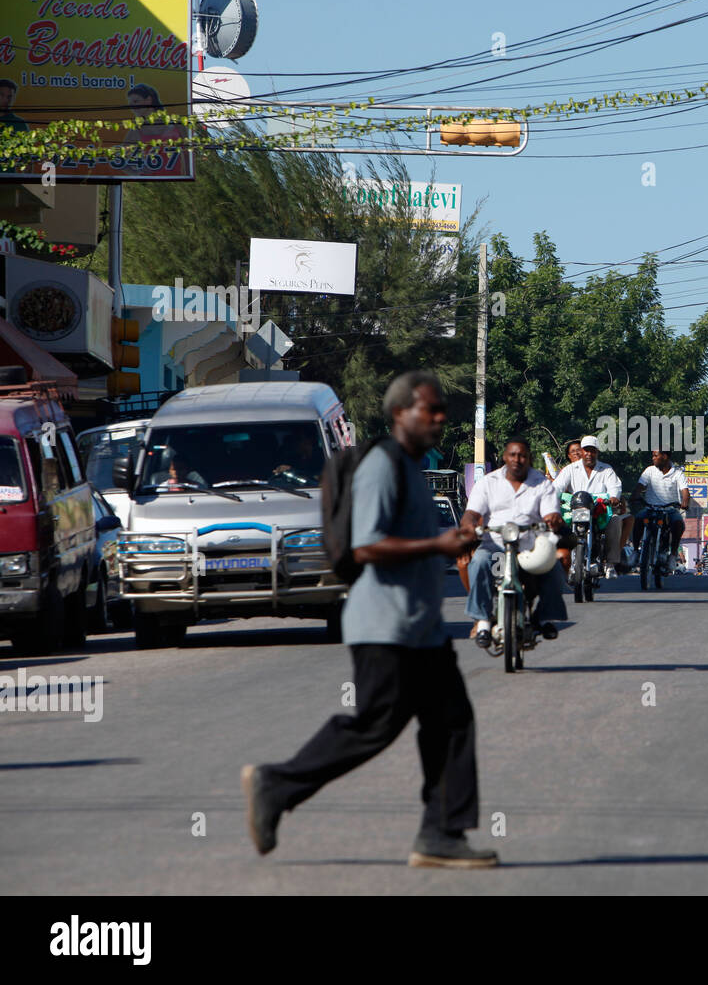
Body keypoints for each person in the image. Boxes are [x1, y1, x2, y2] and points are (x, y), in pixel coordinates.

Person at [240, 371, 494, 868]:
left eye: (442, 409)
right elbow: (365, 544)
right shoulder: (383, 465)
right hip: (384, 626)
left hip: (420, 629)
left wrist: (456, 536)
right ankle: (276, 784)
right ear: (401, 414)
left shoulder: (412, 470)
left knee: (451, 721)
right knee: (374, 724)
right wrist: (439, 544)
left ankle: (441, 834)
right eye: (431, 409)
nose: (441, 417)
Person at [462, 436, 569, 648]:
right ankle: (482, 621)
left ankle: (544, 618)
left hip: (530, 547)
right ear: (505, 456)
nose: (517, 459)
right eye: (513, 454)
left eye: (522, 455)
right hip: (495, 545)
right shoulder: (488, 483)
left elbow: (551, 512)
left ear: (528, 458)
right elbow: (472, 513)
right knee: (479, 563)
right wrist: (468, 524)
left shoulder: (542, 483)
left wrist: (552, 518)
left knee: (555, 570)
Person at [553, 435, 628, 570]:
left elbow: (614, 487)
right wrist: (552, 497)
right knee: (556, 523)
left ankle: (610, 563)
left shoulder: (606, 469)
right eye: (586, 450)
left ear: (597, 452)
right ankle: (559, 561)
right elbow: (556, 487)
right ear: (581, 452)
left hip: (599, 511)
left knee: (616, 520)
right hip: (575, 512)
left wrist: (613, 497)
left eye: (592, 450)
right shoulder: (570, 469)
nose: (589, 454)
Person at [630, 449, 689, 563]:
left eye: (655, 455)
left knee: (679, 524)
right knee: (637, 519)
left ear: (665, 456)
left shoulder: (678, 473)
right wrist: (634, 496)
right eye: (653, 455)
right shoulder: (649, 471)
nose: (653, 458)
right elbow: (640, 486)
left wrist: (685, 502)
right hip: (650, 508)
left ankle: (673, 555)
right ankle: (635, 550)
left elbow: (685, 491)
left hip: (670, 510)